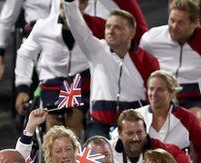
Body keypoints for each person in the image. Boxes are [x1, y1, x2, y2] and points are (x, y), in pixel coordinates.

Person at [62, 0, 158, 138]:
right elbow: (77, 25)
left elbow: (154, 97)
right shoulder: (96, 50)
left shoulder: (147, 60)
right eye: (108, 26)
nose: (110, 31)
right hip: (100, 125)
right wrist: (70, 3)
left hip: (134, 125)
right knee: (92, 156)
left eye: (117, 27)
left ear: (131, 32)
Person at [139, 0, 201, 125]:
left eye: (180, 23)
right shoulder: (150, 39)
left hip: (197, 100)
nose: (174, 26)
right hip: (160, 97)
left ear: (195, 23)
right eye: (172, 20)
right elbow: (140, 67)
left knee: (193, 118)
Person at [13, 0, 93, 135]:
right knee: (52, 118)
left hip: (81, 81)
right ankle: (52, 152)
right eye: (62, 4)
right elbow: (25, 54)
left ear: (83, 5)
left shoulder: (93, 26)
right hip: (52, 83)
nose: (64, 6)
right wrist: (22, 87)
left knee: (74, 117)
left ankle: (75, 152)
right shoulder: (43, 26)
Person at [132, 70, 201, 163]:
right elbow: (116, 142)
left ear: (171, 93)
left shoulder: (187, 118)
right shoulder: (135, 116)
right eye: (151, 89)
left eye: (160, 89)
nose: (154, 94)